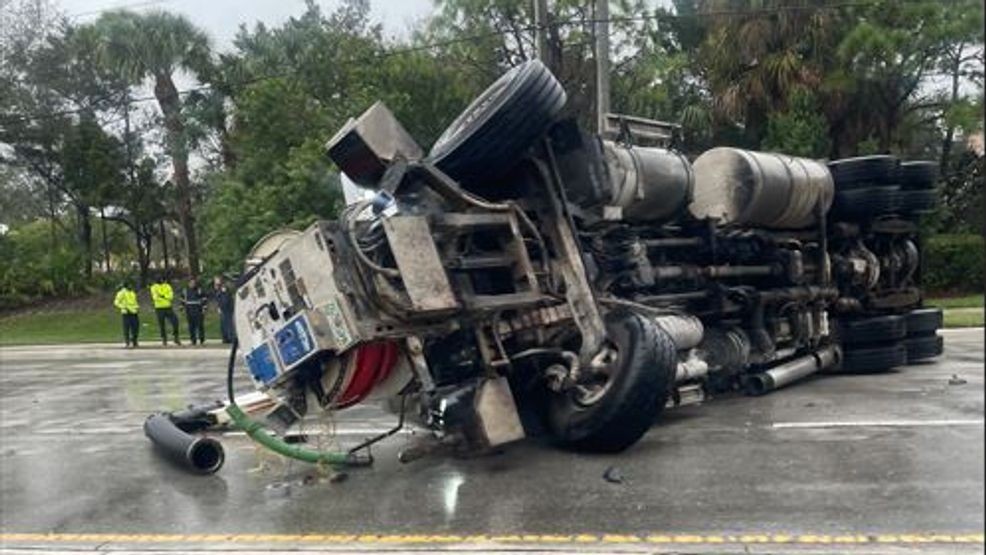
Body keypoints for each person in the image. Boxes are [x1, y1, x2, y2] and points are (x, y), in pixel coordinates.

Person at [150, 276, 181, 346]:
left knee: (175, 321)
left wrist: (162, 296)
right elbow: (155, 297)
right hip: (159, 308)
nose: (162, 281)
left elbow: (170, 296)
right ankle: (164, 339)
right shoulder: (154, 287)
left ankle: (176, 337)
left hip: (168, 307)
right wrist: (165, 296)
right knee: (162, 324)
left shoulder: (168, 286)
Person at [181, 277, 207, 346]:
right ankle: (193, 340)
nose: (192, 284)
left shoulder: (199, 290)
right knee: (191, 326)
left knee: (200, 326)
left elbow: (204, 299)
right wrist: (182, 308)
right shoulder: (185, 290)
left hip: (198, 309)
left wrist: (204, 308)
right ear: (188, 283)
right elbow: (182, 300)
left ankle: (202, 340)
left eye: (193, 283)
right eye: (191, 283)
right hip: (189, 310)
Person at [113, 280, 140, 348]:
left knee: (136, 327)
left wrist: (137, 307)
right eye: (130, 285)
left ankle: (134, 341)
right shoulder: (121, 292)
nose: (131, 286)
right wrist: (124, 307)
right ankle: (127, 342)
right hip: (126, 313)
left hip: (134, 312)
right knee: (127, 328)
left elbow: (134, 301)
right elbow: (116, 302)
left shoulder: (132, 292)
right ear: (126, 286)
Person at [212, 275, 235, 344]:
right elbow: (217, 298)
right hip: (222, 308)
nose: (215, 282)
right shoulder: (218, 289)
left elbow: (225, 298)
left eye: (216, 280)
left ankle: (230, 338)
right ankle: (225, 338)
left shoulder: (223, 288)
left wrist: (222, 306)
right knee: (223, 324)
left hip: (227, 308)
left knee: (228, 323)